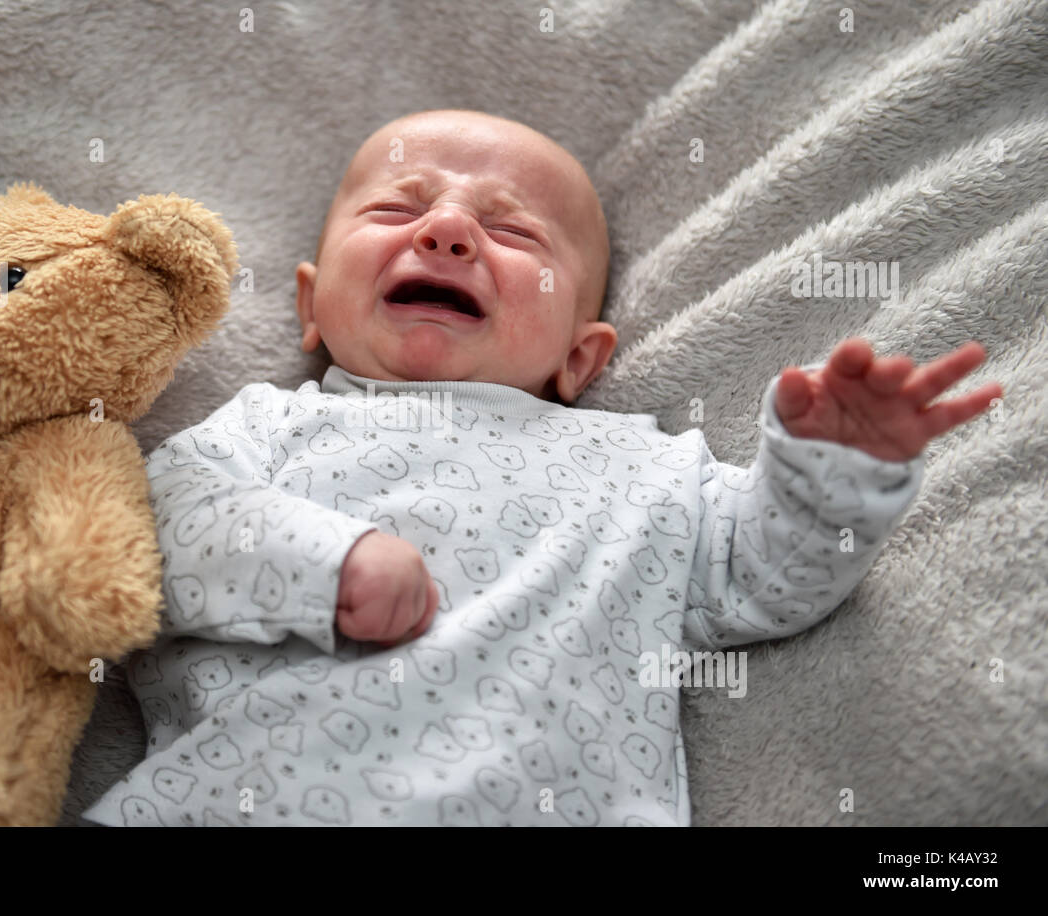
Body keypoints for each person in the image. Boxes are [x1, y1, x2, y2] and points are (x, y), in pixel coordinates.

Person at [82, 109, 1002, 826]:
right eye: (399, 208)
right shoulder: (269, 428)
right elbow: (156, 532)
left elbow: (765, 574)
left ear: (580, 358)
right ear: (312, 305)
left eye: (513, 233)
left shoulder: (647, 472)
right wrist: (328, 563)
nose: (445, 230)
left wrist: (833, 466)